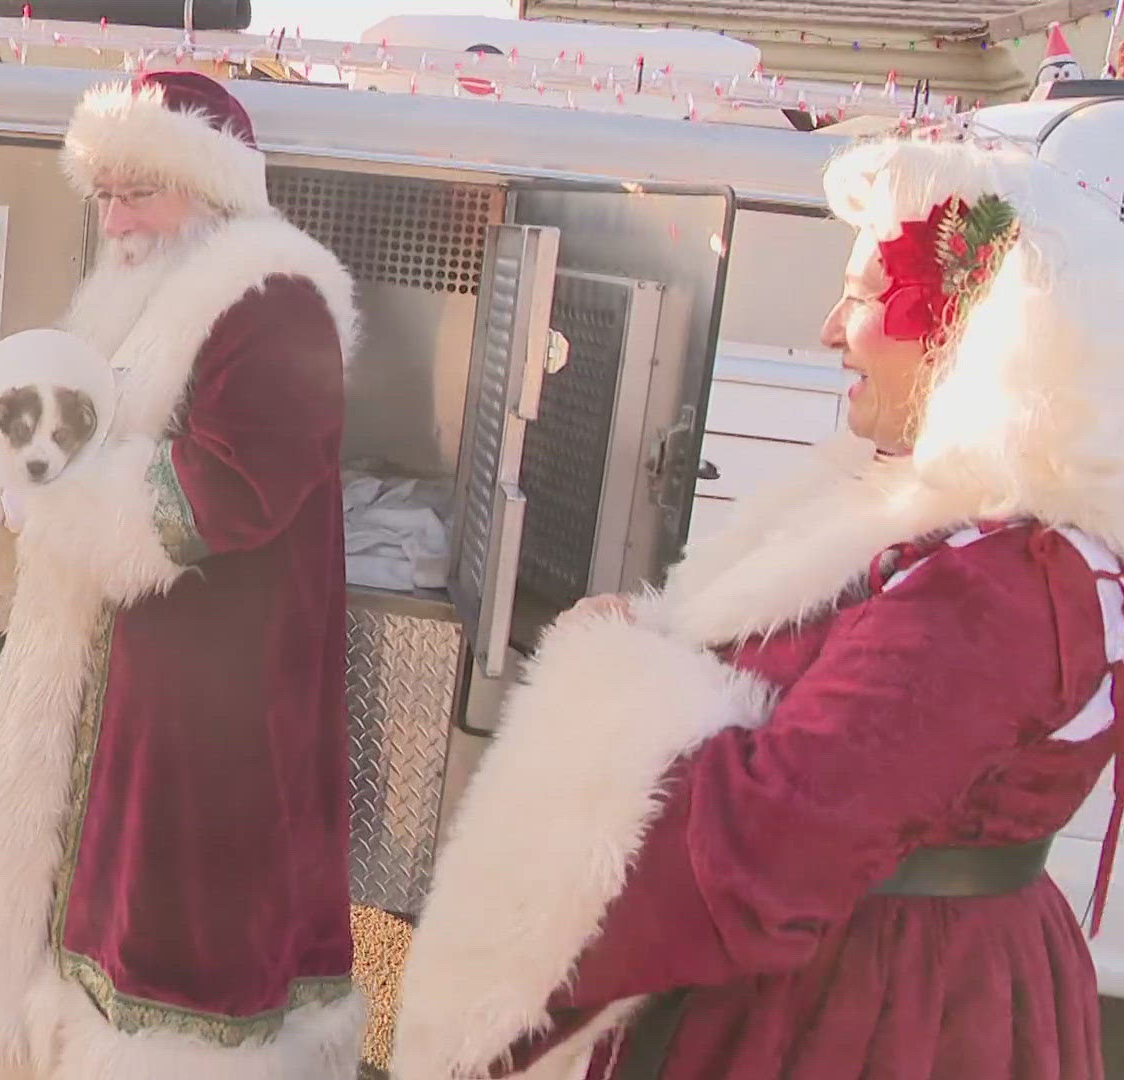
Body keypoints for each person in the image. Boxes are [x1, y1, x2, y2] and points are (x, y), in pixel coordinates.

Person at [391, 135, 1124, 1080]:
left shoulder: (1005, 584)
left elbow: (765, 854)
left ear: (971, 333)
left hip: (876, 1015)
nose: (828, 328)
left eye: (862, 297)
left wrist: (609, 692)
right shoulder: (932, 528)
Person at [0, 71, 364, 1079]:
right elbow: (53, 438)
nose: (115, 217)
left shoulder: (274, 293)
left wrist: (52, 500)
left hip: (207, 711)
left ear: (206, 187)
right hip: (115, 690)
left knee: (176, 974)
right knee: (87, 944)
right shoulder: (132, 291)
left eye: (138, 190)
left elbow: (235, 486)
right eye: (104, 192)